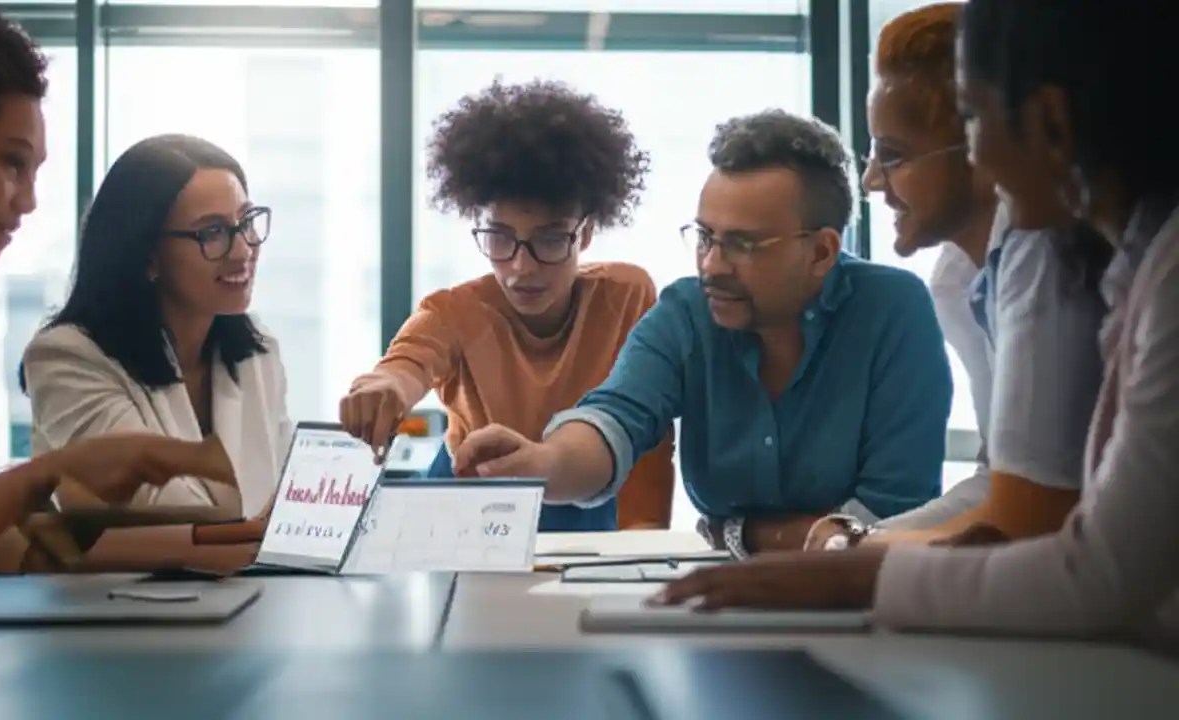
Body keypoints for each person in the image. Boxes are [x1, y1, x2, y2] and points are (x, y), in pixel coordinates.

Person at [654, 0, 1179, 643]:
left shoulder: (1138, 271)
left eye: (979, 120)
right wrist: (850, 553)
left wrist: (855, 574)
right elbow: (1005, 495)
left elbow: (1093, 567)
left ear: (1049, 122)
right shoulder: (1123, 265)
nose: (872, 179)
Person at [455, 110, 953, 553]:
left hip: (867, 599)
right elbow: (616, 416)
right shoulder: (686, 311)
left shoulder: (893, 310)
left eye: (743, 244)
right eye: (705, 237)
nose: (712, 265)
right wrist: (543, 463)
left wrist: (746, 533)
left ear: (821, 252)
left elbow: (890, 519)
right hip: (731, 592)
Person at [0, 0, 250, 599]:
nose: (29, 201)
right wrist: (53, 474)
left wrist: (222, 543)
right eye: (11, 164)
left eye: (35, 170)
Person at [808, 1, 1107, 547]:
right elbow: (1001, 482)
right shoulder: (954, 280)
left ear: (978, 143)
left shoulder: (1042, 254)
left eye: (891, 154)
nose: (872, 181)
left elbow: (1031, 516)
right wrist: (859, 538)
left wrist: (855, 556)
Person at [339, 79, 674, 531]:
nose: (521, 267)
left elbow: (648, 428)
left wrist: (645, 531)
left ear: (587, 232)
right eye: (499, 237)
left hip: (584, 493)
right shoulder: (451, 312)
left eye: (550, 239)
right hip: (471, 493)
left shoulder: (626, 294)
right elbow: (407, 363)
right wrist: (383, 388)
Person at [24, 134, 289, 519]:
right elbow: (158, 509)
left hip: (248, 579)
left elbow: (286, 502)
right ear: (147, 256)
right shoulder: (67, 358)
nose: (243, 250)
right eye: (212, 233)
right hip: (121, 580)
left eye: (246, 221)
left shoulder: (258, 353)